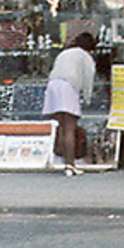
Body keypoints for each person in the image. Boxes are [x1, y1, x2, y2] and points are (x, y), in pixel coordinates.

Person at [43, 32, 96, 176]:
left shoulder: (64, 53)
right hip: (68, 87)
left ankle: (61, 161)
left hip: (53, 85)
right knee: (70, 128)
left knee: (62, 127)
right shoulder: (84, 56)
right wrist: (87, 98)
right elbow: (88, 79)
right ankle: (70, 165)